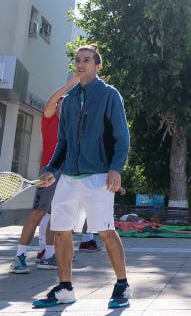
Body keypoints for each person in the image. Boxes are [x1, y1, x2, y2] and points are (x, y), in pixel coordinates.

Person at [34, 45, 131, 308]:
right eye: (77, 60)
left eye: (86, 60)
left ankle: (122, 285)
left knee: (105, 230)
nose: (80, 64)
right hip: (69, 177)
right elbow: (62, 143)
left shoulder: (109, 95)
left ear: (97, 65)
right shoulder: (69, 101)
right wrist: (51, 170)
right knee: (60, 230)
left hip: (99, 175)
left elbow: (122, 137)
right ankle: (65, 288)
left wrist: (116, 168)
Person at [10, 75, 79, 274]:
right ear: (57, 107)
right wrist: (72, 82)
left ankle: (48, 256)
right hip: (49, 172)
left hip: (66, 175)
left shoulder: (71, 127)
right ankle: (19, 257)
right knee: (38, 213)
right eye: (62, 104)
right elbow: (53, 100)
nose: (66, 107)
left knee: (55, 216)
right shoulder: (50, 119)